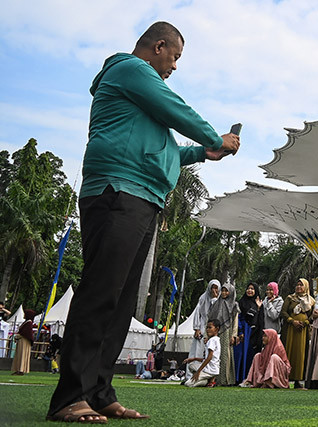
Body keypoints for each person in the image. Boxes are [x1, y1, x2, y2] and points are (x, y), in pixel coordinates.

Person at [48, 22, 239, 423]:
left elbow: (166, 150)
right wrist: (214, 138)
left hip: (143, 197)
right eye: (175, 57)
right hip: (118, 189)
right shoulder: (131, 69)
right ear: (158, 46)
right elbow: (176, 109)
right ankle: (70, 395)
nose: (175, 66)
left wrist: (203, 152)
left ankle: (99, 392)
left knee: (121, 302)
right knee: (101, 292)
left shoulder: (139, 100)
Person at [281, 278, 314, 388]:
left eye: (301, 285)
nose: (299, 287)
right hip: (290, 329)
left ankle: (298, 380)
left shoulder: (311, 301)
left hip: (303, 331)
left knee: (301, 353)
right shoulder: (290, 298)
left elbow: (312, 315)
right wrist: (292, 321)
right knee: (289, 351)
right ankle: (285, 378)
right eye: (297, 284)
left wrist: (305, 322)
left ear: (306, 287)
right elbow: (283, 312)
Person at [208, 283, 239, 386]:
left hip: (227, 332)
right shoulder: (217, 303)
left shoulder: (234, 305)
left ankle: (225, 380)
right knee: (215, 354)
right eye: (223, 290)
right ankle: (214, 379)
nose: (224, 293)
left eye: (226, 291)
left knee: (225, 355)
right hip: (216, 332)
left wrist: (234, 335)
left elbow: (235, 322)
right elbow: (210, 318)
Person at [234, 282, 263, 383]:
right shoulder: (241, 302)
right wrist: (240, 331)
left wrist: (258, 308)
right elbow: (238, 317)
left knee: (251, 355)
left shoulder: (259, 303)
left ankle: (249, 378)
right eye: (248, 288)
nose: (249, 290)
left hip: (254, 332)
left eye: (252, 289)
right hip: (243, 332)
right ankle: (238, 378)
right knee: (241, 355)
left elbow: (260, 320)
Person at [182, 319, 221, 387]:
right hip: (212, 369)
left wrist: (198, 372)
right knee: (191, 366)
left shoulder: (212, 340)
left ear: (216, 329)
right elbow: (207, 358)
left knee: (188, 384)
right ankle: (208, 380)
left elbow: (209, 358)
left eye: (210, 328)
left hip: (209, 370)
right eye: (207, 328)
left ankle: (205, 381)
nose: (207, 330)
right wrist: (194, 359)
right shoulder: (216, 339)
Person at [191, 280, 221, 359]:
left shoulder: (220, 300)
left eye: (216, 288)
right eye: (212, 288)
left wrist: (215, 299)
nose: (214, 290)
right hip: (203, 326)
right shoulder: (203, 298)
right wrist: (197, 328)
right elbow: (198, 313)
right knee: (199, 349)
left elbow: (216, 312)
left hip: (215, 328)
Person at [11, 309, 37, 376]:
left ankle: (21, 370)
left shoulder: (29, 323)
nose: (24, 315)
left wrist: (18, 336)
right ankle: (18, 369)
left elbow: (25, 333)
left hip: (24, 341)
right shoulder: (26, 322)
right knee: (19, 355)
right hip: (21, 340)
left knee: (22, 355)